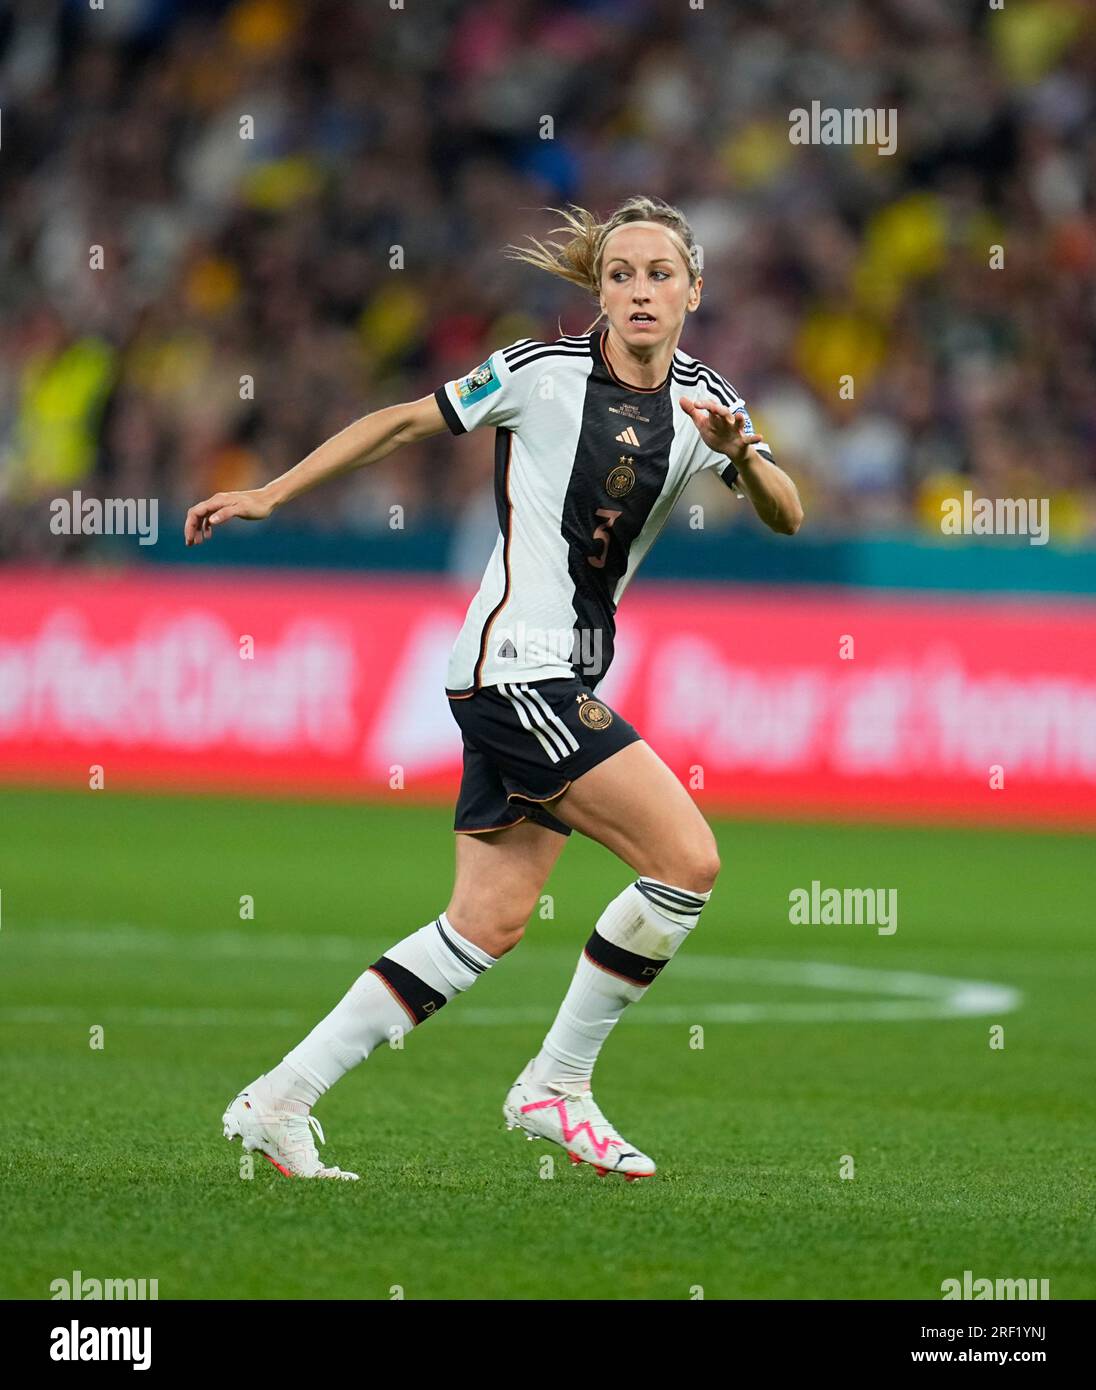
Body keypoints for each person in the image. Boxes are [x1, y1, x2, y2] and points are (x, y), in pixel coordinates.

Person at [184, 195, 803, 1181]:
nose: (639, 291)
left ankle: (279, 1098)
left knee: (486, 923)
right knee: (685, 859)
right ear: (598, 288)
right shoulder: (537, 373)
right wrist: (271, 491)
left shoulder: (706, 402)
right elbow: (399, 423)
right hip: (518, 667)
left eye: (659, 274)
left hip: (543, 677)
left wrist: (737, 455)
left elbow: (786, 512)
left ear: (695, 288)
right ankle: (556, 1085)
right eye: (620, 274)